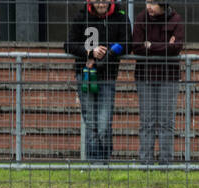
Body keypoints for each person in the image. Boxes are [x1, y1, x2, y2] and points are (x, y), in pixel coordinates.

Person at [64, 1, 131, 164]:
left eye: (104, 1)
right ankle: (93, 163)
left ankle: (104, 160)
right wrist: (89, 52)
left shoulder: (120, 17)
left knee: (104, 122)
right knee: (91, 121)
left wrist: (109, 51)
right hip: (85, 75)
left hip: (107, 76)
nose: (101, 4)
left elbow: (128, 44)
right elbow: (68, 45)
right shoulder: (81, 16)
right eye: (97, 1)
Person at [133, 1, 183, 165]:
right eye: (147, 2)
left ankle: (166, 164)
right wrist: (164, 46)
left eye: (153, 3)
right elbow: (137, 47)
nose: (148, 6)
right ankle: (145, 163)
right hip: (145, 77)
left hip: (168, 78)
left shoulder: (176, 19)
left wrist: (150, 45)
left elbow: (176, 47)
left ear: (163, 4)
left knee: (166, 123)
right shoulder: (141, 19)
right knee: (146, 122)